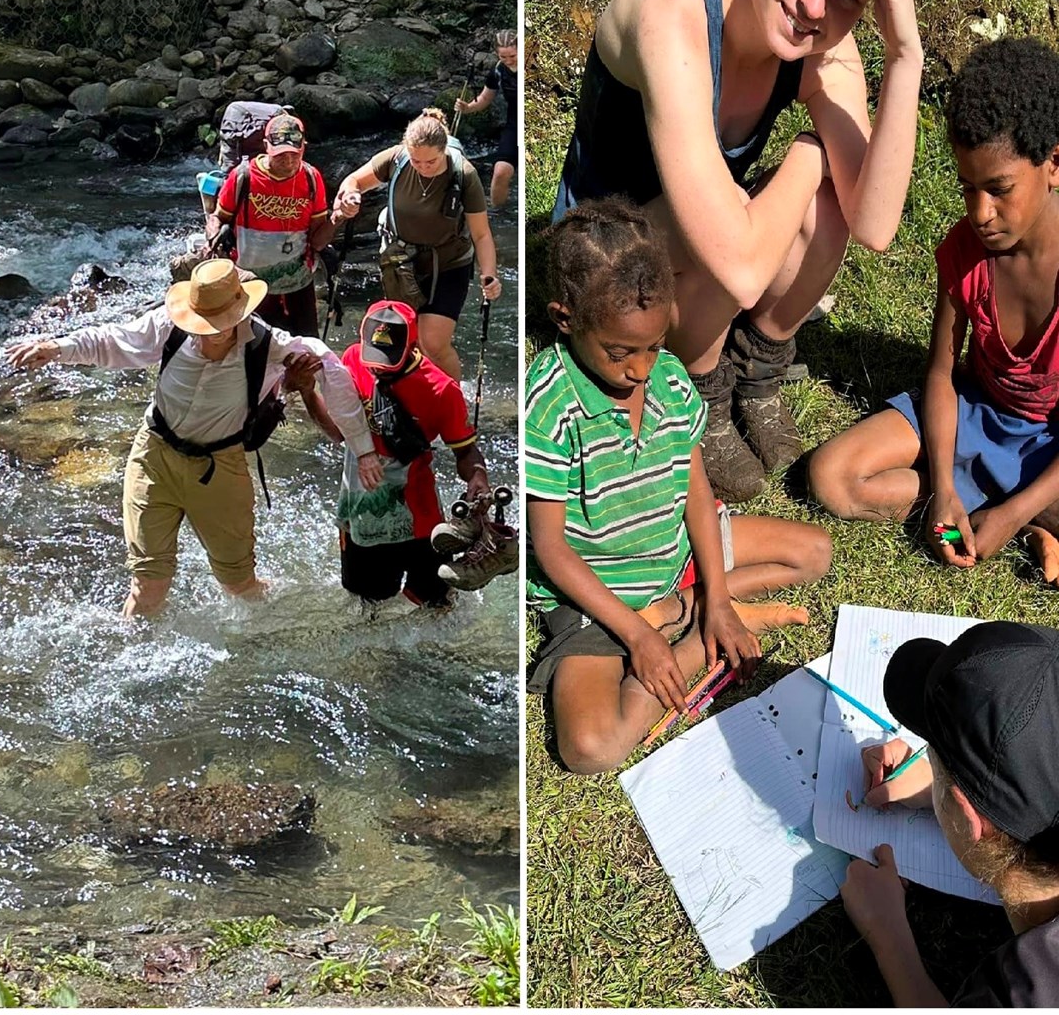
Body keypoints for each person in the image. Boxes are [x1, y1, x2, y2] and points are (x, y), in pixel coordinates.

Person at [551, 0, 921, 503]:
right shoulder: (675, 13)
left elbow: (874, 221)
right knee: (751, 219)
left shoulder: (822, 47)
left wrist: (905, 54)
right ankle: (702, 391)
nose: (814, 5)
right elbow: (740, 263)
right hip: (598, 258)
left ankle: (758, 367)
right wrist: (811, 156)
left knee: (827, 203)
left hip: (692, 236)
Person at [525, 200, 830, 775]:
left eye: (655, 344)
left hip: (676, 557)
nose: (641, 369)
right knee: (591, 748)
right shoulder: (548, 403)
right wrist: (639, 635)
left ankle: (701, 607)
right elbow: (553, 550)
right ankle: (688, 638)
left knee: (815, 551)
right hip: (595, 599)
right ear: (565, 319)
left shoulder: (665, 378)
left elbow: (693, 490)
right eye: (620, 353)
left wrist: (715, 597)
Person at [809, 38, 1059, 581]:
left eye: (998, 189)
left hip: (1048, 446)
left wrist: (1014, 511)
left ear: (1054, 164)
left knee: (1028, 499)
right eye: (967, 188)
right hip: (975, 412)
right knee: (832, 477)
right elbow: (943, 374)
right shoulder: (966, 253)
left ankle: (1013, 517)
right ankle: (969, 515)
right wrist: (942, 487)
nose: (980, 213)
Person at [6, 259, 382, 617]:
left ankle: (291, 608)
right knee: (148, 585)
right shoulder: (169, 326)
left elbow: (331, 369)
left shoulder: (269, 347)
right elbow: (114, 341)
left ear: (239, 315)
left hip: (219, 467)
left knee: (239, 586)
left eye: (216, 322)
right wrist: (56, 347)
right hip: (154, 456)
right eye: (202, 320)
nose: (206, 331)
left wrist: (363, 450)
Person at [839, 621, 1059, 1005]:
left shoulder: (1025, 988)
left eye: (934, 766)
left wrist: (888, 936)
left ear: (969, 818)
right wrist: (940, 792)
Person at [296, 300, 493, 612]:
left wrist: (478, 477)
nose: (376, 368)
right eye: (372, 359)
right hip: (362, 519)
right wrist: (308, 391)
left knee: (437, 605)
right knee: (368, 606)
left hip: (419, 520)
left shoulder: (441, 391)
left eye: (387, 362)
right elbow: (338, 433)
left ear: (413, 346)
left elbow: (465, 450)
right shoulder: (351, 360)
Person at [335, 108, 503, 379]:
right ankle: (420, 395)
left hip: (449, 263)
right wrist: (349, 197)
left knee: (434, 342)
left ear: (444, 151)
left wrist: (489, 274)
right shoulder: (396, 159)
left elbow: (481, 234)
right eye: (417, 161)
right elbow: (353, 181)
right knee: (408, 339)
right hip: (401, 262)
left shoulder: (464, 174)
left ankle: (452, 402)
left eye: (432, 162)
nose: (424, 168)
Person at [205, 112, 339, 337]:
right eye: (280, 155)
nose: (288, 162)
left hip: (298, 281)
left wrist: (339, 217)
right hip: (251, 282)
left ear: (304, 147)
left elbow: (317, 237)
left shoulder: (311, 178)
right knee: (259, 346)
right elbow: (218, 217)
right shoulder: (242, 177)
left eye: (294, 155)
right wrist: (214, 236)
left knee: (308, 347)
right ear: (266, 146)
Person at [455, 30, 519, 212]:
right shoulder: (498, 71)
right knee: (500, 172)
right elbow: (484, 99)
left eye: (513, 56)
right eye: (503, 56)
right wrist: (466, 107)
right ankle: (498, 212)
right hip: (514, 124)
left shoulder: (533, 63)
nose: (508, 60)